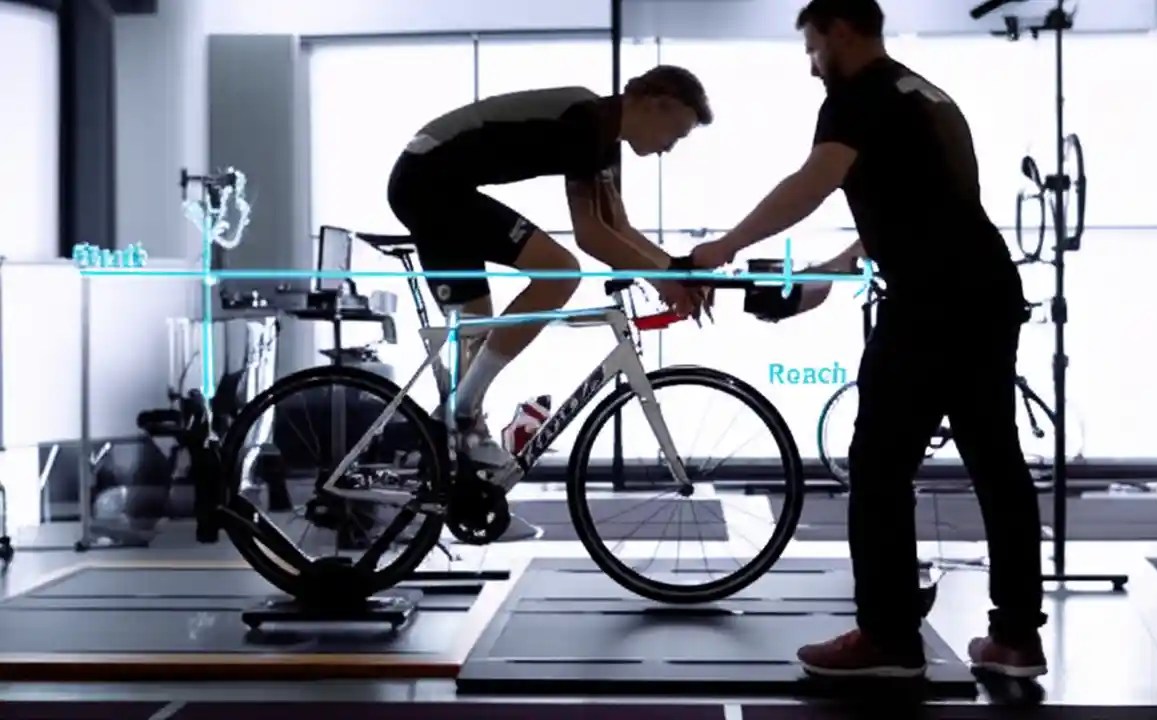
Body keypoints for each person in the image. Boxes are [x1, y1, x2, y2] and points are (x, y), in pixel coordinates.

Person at [691, 0, 1048, 679]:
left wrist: (725, 245)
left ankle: (887, 638)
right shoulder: (926, 93)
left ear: (841, 30)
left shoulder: (856, 96)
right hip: (986, 292)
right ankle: (1015, 639)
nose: (810, 64)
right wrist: (836, 268)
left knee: (880, 468)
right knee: (998, 466)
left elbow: (811, 184)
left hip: (930, 305)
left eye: (812, 46)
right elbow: (934, 204)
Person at [387, 66, 713, 469]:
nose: (669, 148)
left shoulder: (605, 135)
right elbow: (591, 235)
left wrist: (678, 271)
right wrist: (664, 280)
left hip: (432, 182)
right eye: (675, 135)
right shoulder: (588, 120)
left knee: (476, 331)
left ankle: (449, 459)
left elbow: (618, 227)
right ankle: (464, 414)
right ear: (655, 104)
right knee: (559, 270)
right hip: (427, 181)